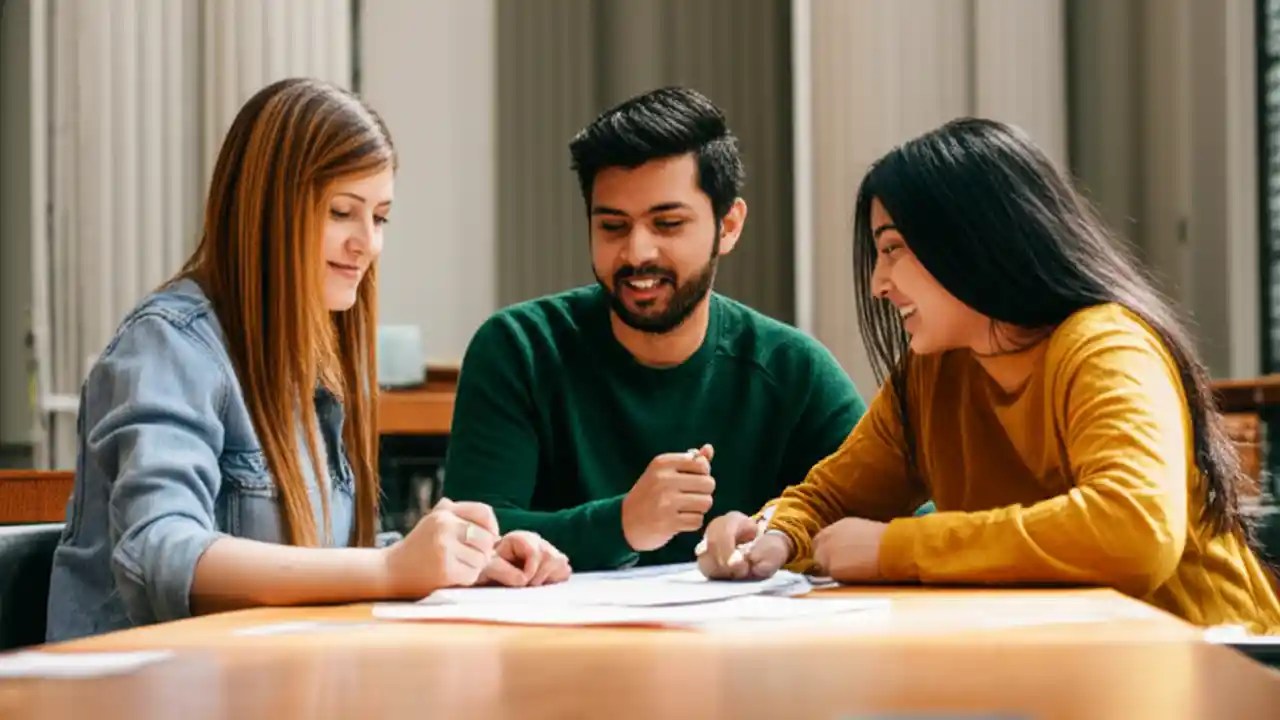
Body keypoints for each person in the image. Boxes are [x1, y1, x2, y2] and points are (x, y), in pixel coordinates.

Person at [698, 117, 1280, 633]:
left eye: (894, 248)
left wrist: (895, 549)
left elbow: (1134, 531)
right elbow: (830, 496)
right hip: (1069, 672)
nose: (878, 283)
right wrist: (772, 535)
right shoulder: (933, 372)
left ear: (972, 242)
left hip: (1213, 670)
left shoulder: (1106, 345)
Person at [46, 78, 568, 642]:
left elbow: (315, 560)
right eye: (342, 212)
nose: (367, 243)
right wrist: (391, 570)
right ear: (269, 210)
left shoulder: (309, 360)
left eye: (381, 217)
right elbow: (159, 552)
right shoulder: (170, 345)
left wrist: (466, 562)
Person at [443, 87, 865, 571]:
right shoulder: (519, 349)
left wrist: (779, 532)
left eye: (667, 224)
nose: (637, 252)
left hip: (743, 646)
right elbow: (466, 537)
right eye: (613, 227)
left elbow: (895, 515)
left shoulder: (791, 369)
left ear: (728, 226)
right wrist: (623, 523)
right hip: (550, 646)